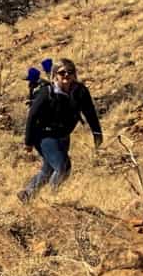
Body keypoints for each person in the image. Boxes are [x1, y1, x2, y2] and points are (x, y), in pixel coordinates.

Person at [17, 58, 102, 202]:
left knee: (49, 169)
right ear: (55, 75)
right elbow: (32, 116)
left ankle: (27, 194)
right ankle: (52, 199)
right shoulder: (47, 93)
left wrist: (97, 133)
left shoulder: (80, 91)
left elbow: (90, 112)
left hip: (63, 136)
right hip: (44, 135)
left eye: (70, 72)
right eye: (62, 73)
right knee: (63, 166)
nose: (66, 75)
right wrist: (28, 142)